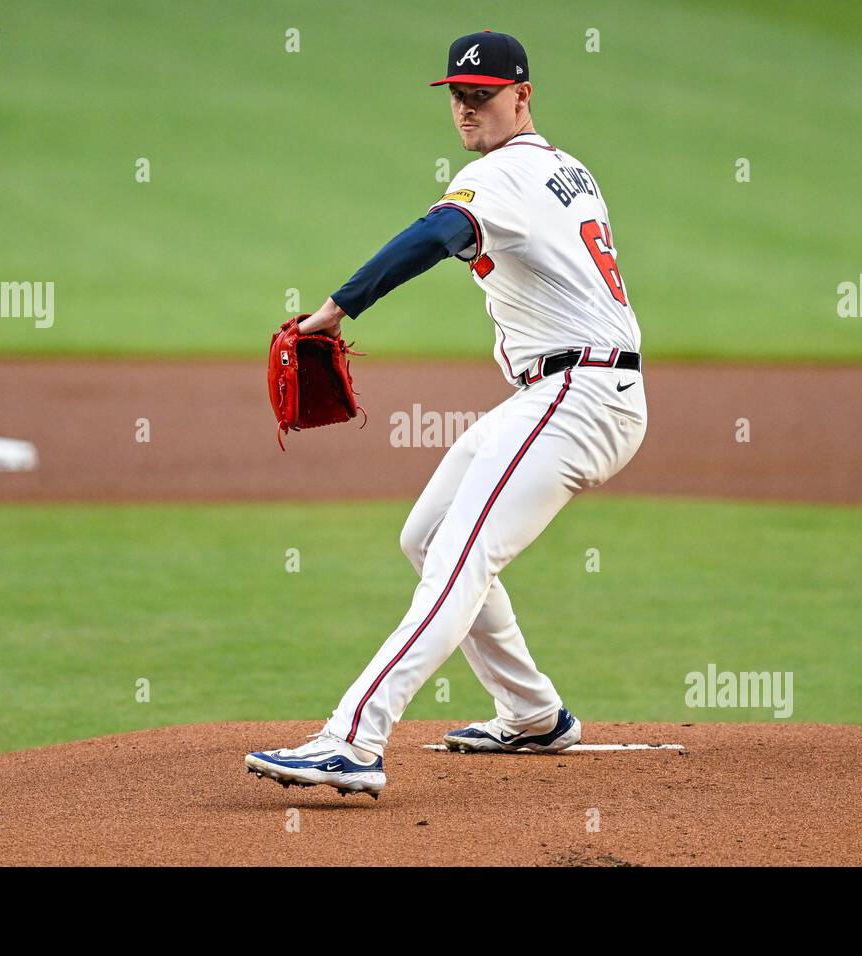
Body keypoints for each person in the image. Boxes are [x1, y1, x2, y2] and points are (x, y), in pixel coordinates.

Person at [246, 30, 646, 798]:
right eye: (459, 96)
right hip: (565, 391)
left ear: (523, 96)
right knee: (427, 537)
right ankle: (532, 713)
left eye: (484, 94)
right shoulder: (566, 169)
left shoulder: (504, 177)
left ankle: (352, 739)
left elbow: (437, 234)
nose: (468, 108)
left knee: (461, 556)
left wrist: (336, 309)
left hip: (579, 397)